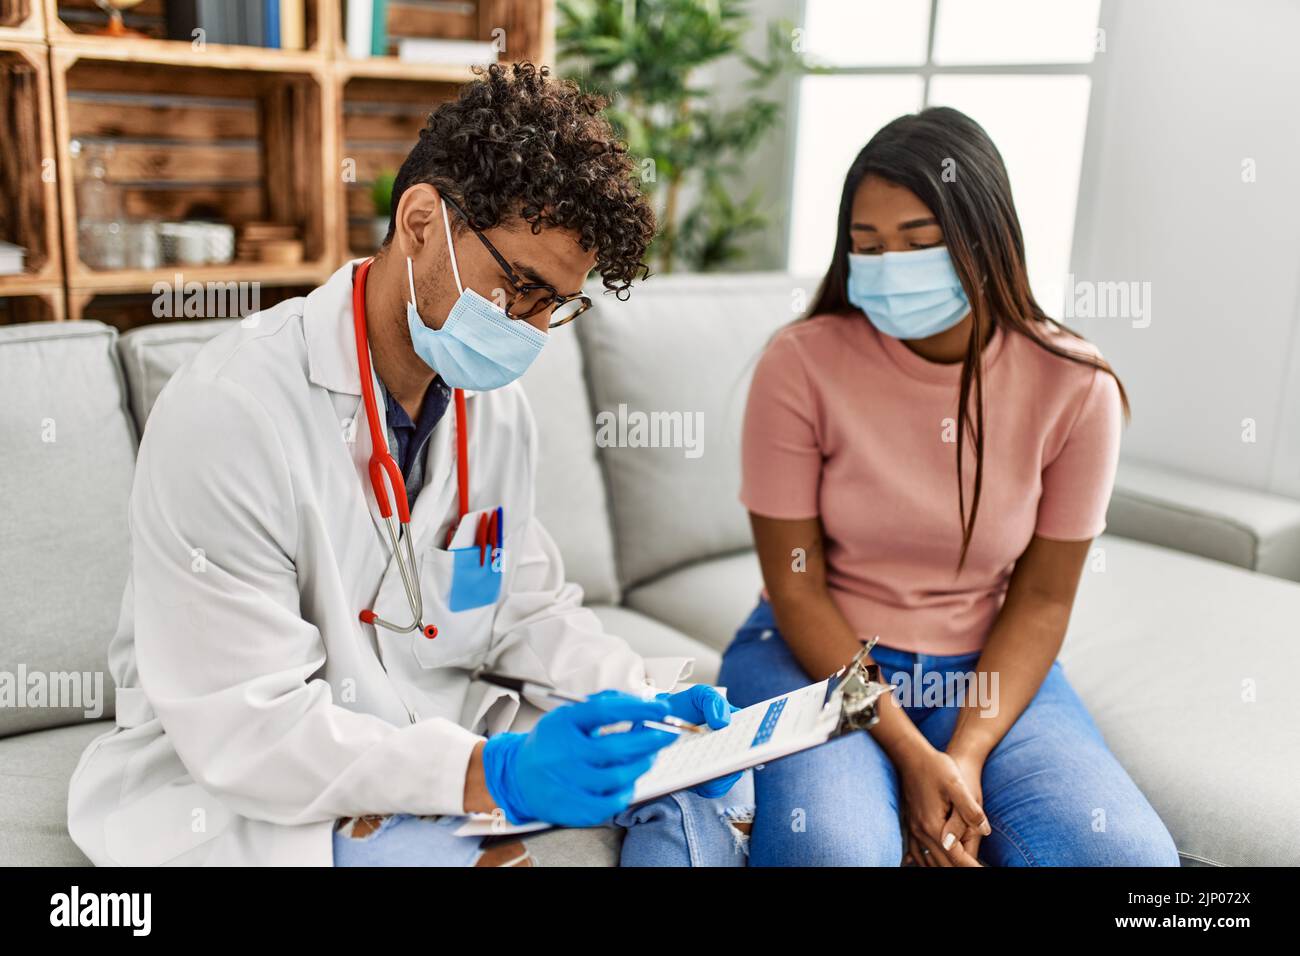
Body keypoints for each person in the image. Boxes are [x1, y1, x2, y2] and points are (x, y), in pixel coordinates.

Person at [66, 63, 745, 868]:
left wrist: (645, 696)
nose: (528, 332)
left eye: (553, 305)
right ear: (421, 221)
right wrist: (490, 774)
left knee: (711, 788)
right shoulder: (232, 411)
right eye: (517, 289)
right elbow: (251, 728)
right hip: (249, 781)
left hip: (427, 725)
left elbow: (521, 606)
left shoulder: (488, 405)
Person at [720, 107, 1180, 867]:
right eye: (866, 246)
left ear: (985, 237)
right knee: (834, 853)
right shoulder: (800, 363)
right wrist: (908, 753)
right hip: (814, 657)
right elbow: (794, 588)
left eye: (919, 242)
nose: (887, 264)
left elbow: (1042, 599)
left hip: (983, 671)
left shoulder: (1076, 386)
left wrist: (964, 754)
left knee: (1131, 862)